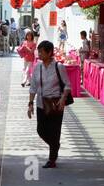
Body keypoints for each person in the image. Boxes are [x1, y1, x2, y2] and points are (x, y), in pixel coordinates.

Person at [28, 39, 72, 169]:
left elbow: (67, 85)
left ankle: (52, 159)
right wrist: (30, 103)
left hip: (56, 103)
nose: (39, 55)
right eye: (38, 52)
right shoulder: (37, 67)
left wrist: (63, 99)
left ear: (49, 53)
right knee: (41, 129)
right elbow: (33, 87)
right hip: (41, 103)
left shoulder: (59, 67)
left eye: (41, 52)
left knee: (55, 130)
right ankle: (55, 145)